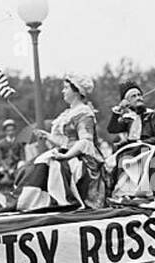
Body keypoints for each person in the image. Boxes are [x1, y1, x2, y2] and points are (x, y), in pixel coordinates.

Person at [17, 75, 107, 211]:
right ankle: (27, 201)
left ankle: (56, 202)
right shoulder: (68, 113)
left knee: (50, 164)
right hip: (69, 153)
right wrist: (47, 136)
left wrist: (67, 156)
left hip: (83, 158)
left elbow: (85, 141)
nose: (63, 91)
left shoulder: (84, 113)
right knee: (33, 164)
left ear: (77, 91)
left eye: (66, 88)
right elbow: (65, 142)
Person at [107, 81, 155, 147]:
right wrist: (118, 110)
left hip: (149, 150)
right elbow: (112, 129)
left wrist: (140, 142)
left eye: (139, 95)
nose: (138, 98)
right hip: (132, 152)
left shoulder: (152, 115)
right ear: (127, 102)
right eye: (133, 96)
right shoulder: (127, 119)